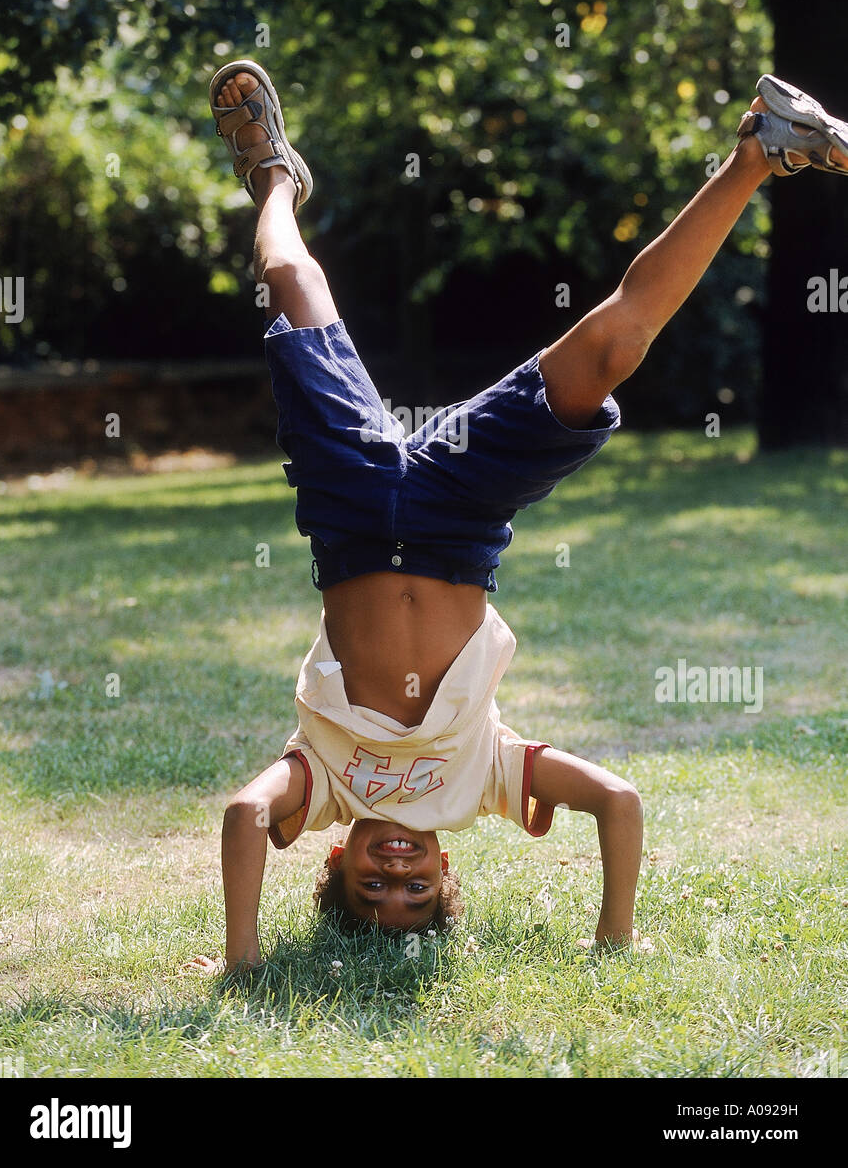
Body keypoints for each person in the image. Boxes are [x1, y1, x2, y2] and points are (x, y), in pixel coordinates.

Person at [194, 62, 847, 971]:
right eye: (416, 892)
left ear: (336, 859)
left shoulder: (324, 791)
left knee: (288, 277)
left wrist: (243, 961)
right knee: (611, 350)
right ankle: (758, 154)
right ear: (445, 865)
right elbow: (617, 799)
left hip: (346, 514)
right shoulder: (483, 780)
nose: (396, 873)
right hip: (458, 522)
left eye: (372, 888)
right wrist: (614, 940)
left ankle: (271, 175)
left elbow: (241, 815)